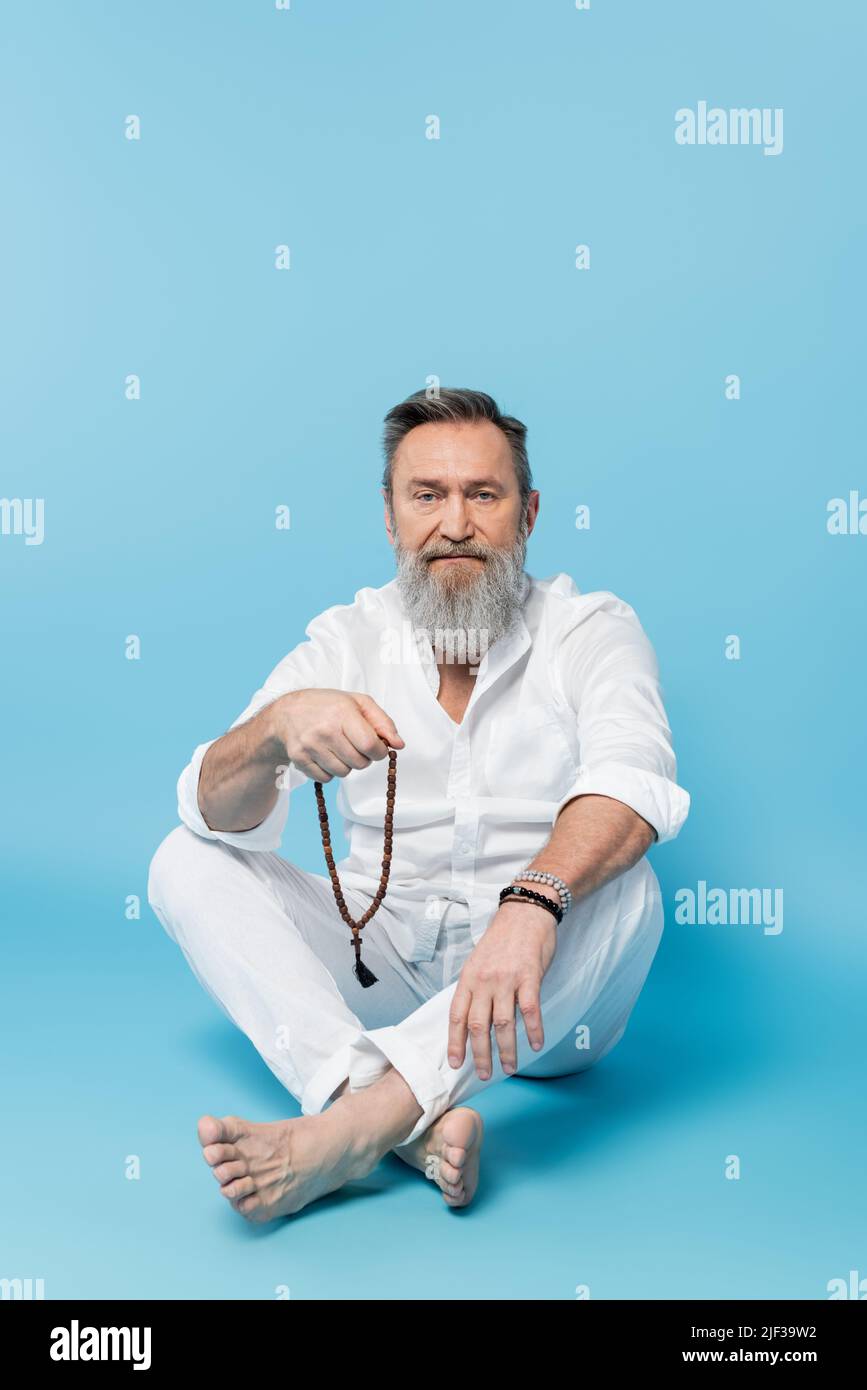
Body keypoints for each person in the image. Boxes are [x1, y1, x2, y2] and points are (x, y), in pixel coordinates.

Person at [146, 387, 690, 1222]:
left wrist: (531, 904)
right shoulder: (347, 638)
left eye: (484, 494)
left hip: (540, 1001)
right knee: (184, 857)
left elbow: (634, 777)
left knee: (632, 887)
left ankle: (351, 1127)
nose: (455, 523)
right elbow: (212, 803)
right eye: (426, 496)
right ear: (391, 517)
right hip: (383, 959)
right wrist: (273, 733)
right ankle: (383, 1110)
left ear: (529, 512)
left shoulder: (591, 629)